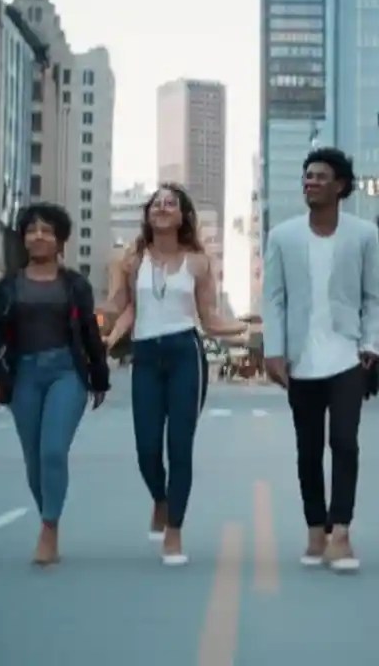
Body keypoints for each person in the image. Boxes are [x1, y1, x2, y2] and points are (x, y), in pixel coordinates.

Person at [103, 183, 246, 566]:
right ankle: (161, 500)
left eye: (171, 203)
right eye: (157, 204)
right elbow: (127, 308)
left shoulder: (198, 262)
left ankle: (174, 532)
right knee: (147, 449)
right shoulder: (132, 260)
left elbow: (210, 318)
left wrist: (245, 329)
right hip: (146, 356)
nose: (163, 208)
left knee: (180, 446)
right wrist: (110, 335)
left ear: (182, 215)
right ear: (148, 215)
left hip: (186, 354)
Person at [262, 147, 379, 573]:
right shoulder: (283, 236)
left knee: (345, 442)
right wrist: (274, 350)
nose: (310, 182)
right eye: (307, 176)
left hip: (347, 353)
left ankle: (342, 532)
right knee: (308, 447)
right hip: (301, 359)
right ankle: (316, 528)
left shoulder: (364, 234)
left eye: (319, 176)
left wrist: (372, 342)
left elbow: (374, 295)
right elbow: (274, 298)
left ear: (341, 186)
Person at [0, 203, 110, 566]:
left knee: (53, 451)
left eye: (47, 231)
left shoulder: (74, 285)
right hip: (24, 375)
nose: (39, 236)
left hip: (66, 372)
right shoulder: (9, 285)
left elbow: (89, 332)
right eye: (32, 230)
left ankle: (48, 528)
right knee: (34, 460)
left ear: (60, 240)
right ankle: (47, 515)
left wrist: (99, 377)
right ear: (23, 238)